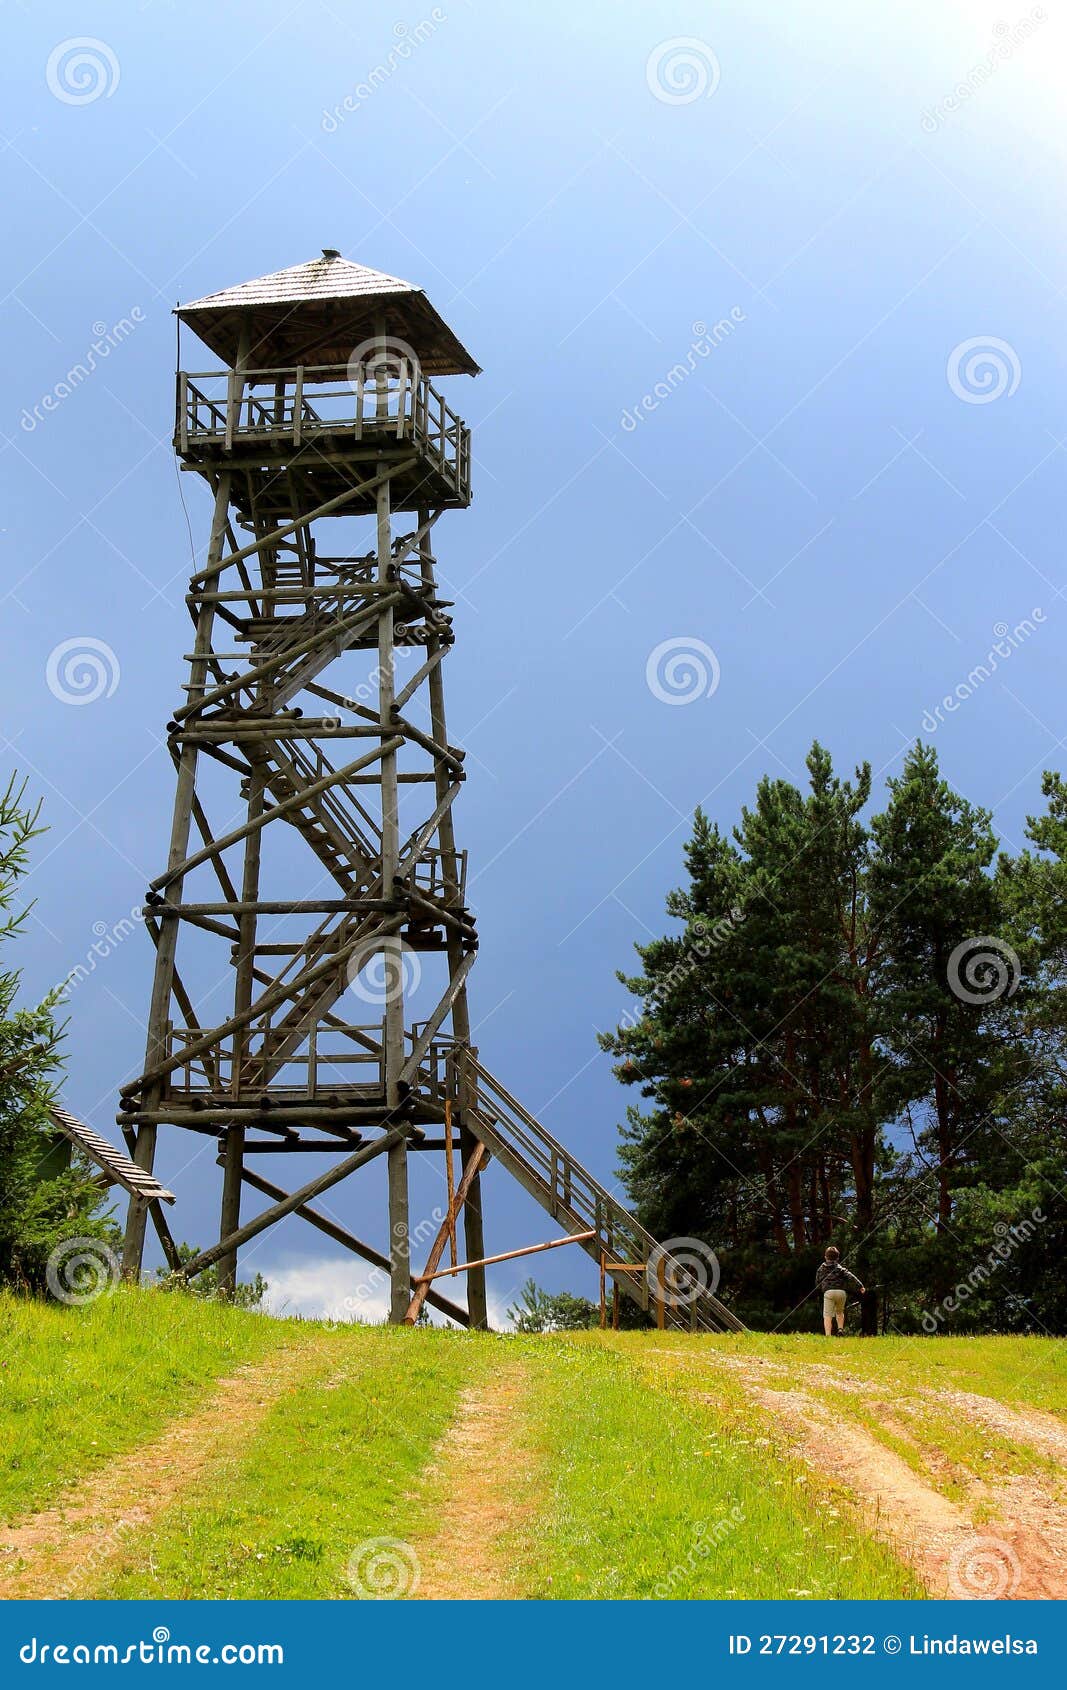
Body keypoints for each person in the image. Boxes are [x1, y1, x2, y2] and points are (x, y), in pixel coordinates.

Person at [815, 1245, 865, 1336]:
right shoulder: (840, 1268)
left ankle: (828, 1335)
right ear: (837, 1258)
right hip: (841, 1292)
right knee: (840, 1312)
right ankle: (840, 1329)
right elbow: (851, 1277)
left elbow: (817, 1281)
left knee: (827, 1315)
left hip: (828, 1293)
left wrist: (820, 1289)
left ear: (825, 1257)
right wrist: (860, 1286)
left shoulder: (821, 1269)